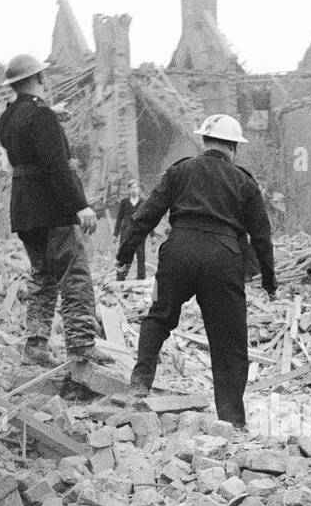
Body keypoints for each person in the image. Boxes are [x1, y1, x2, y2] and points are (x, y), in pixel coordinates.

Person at [117, 114, 276, 428]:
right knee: (229, 339)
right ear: (234, 147)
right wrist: (269, 281)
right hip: (224, 261)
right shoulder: (244, 181)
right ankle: (231, 420)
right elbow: (261, 235)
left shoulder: (179, 171)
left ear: (205, 142)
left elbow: (146, 216)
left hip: (178, 255)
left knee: (158, 315)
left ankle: (139, 382)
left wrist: (124, 254)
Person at [0, 53, 104, 389]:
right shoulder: (41, 116)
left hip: (24, 212)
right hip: (52, 210)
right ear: (38, 79)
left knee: (43, 277)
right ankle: (82, 347)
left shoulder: (9, 117)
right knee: (75, 277)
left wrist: (50, 115)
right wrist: (80, 206)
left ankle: (36, 344)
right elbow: (57, 165)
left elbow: (24, 130)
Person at [114, 178, 147, 280]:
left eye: (136, 187)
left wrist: (153, 235)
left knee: (140, 255)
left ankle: (141, 278)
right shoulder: (124, 202)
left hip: (139, 231)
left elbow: (148, 218)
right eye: (131, 188)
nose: (133, 190)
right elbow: (119, 218)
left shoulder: (143, 202)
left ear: (139, 189)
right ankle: (120, 277)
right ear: (128, 190)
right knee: (123, 254)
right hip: (126, 232)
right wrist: (115, 234)